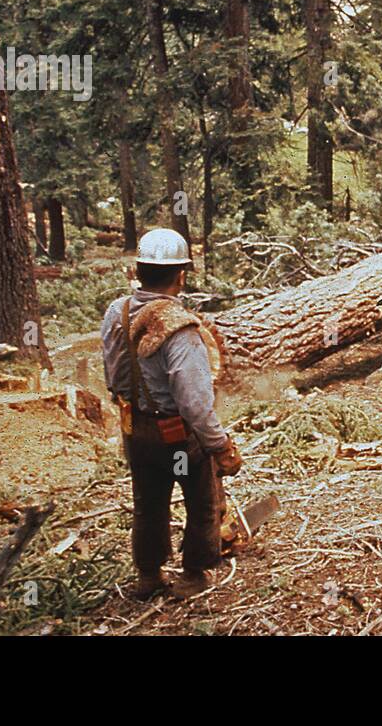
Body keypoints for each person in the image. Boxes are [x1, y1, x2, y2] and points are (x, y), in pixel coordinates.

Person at [101, 228, 242, 599]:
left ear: (139, 269)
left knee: (148, 503)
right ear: (181, 275)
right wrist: (219, 444)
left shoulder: (118, 311)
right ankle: (193, 574)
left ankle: (149, 575)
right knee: (201, 499)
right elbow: (195, 403)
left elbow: (112, 373)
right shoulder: (180, 327)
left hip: (137, 431)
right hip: (176, 437)